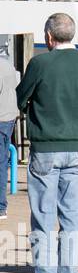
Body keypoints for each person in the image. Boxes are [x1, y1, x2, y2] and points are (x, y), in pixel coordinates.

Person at [12, 13, 78, 273]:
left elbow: (20, 98)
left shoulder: (40, 63)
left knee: (44, 220)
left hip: (47, 147)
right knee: (72, 220)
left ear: (49, 36)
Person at [0, 45, 18, 224]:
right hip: (8, 118)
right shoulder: (8, 65)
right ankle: (1, 206)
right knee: (2, 162)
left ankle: (0, 206)